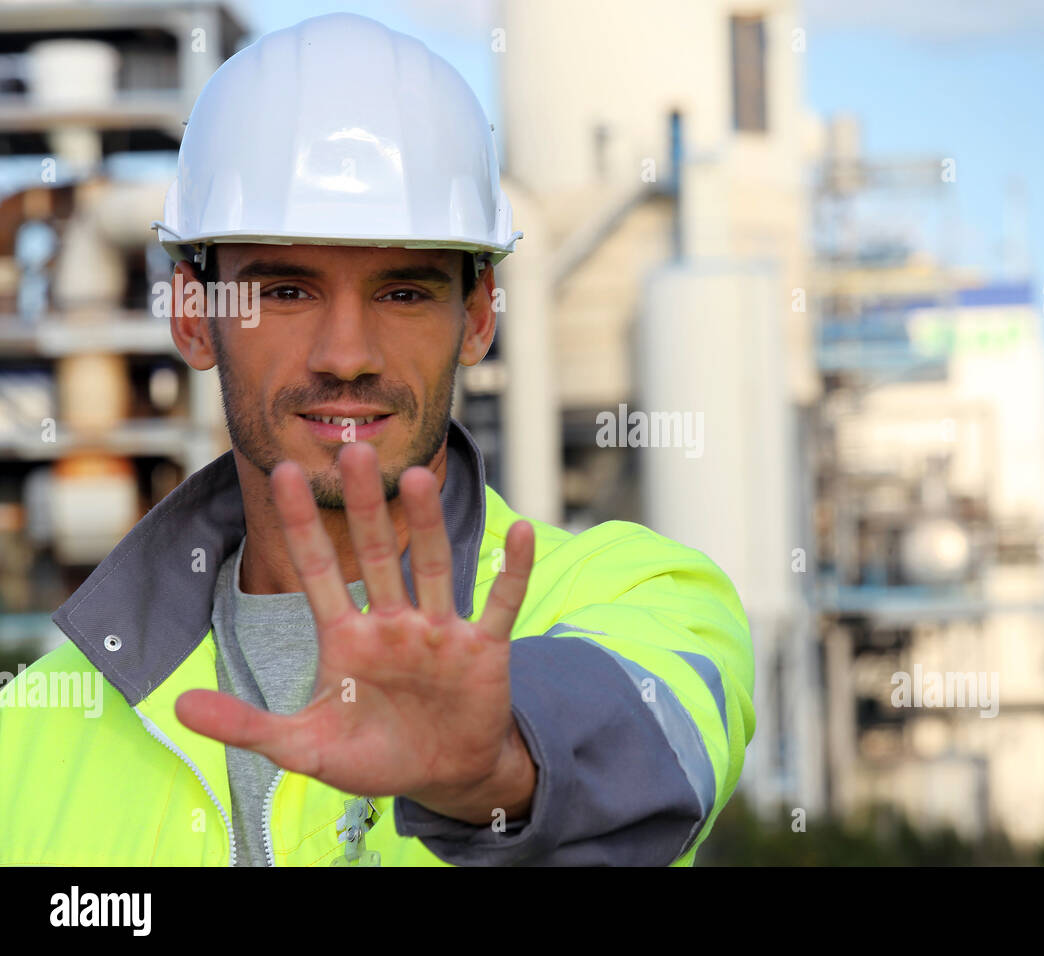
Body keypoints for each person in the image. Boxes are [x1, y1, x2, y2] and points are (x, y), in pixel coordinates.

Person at [0, 13, 754, 867]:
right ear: (193, 314)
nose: (347, 356)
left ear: (476, 317)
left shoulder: (648, 603)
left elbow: (651, 742)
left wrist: (497, 769)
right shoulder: (30, 733)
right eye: (286, 291)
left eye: (403, 293)